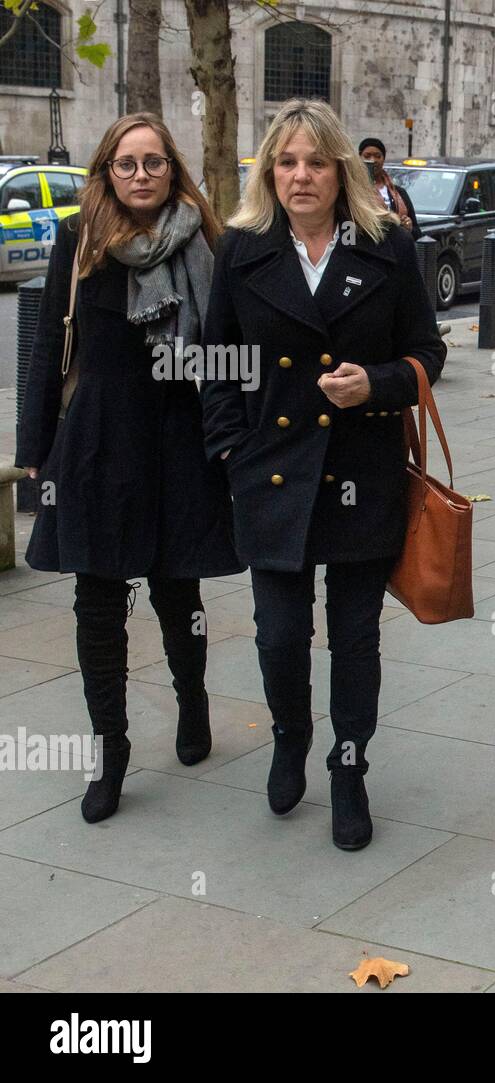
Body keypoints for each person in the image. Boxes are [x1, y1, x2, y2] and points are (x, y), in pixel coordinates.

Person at [201, 100, 444, 850]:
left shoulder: (388, 249)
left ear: (343, 172)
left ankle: (348, 766)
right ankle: (288, 737)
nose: (300, 175)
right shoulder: (242, 251)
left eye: (315, 162)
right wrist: (231, 450)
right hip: (271, 475)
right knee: (278, 635)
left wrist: (375, 384)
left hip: (360, 474)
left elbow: (427, 354)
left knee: (356, 637)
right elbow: (217, 363)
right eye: (286, 162)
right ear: (269, 173)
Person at [14, 113, 242, 823]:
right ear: (106, 172)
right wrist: (33, 450)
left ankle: (191, 699)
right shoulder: (80, 241)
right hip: (98, 446)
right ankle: (109, 750)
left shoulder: (207, 243)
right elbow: (49, 343)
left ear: (172, 168)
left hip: (179, 443)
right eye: (126, 163)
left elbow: (227, 352)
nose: (140, 174)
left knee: (181, 596)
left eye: (153, 162)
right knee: (98, 602)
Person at [358, 137, 423, 238]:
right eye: (367, 156)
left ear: (383, 159)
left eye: (377, 156)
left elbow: (417, 233)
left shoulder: (400, 192)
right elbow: (345, 233)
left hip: (395, 251)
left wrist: (408, 227)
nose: (372, 160)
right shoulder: (352, 192)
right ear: (359, 159)